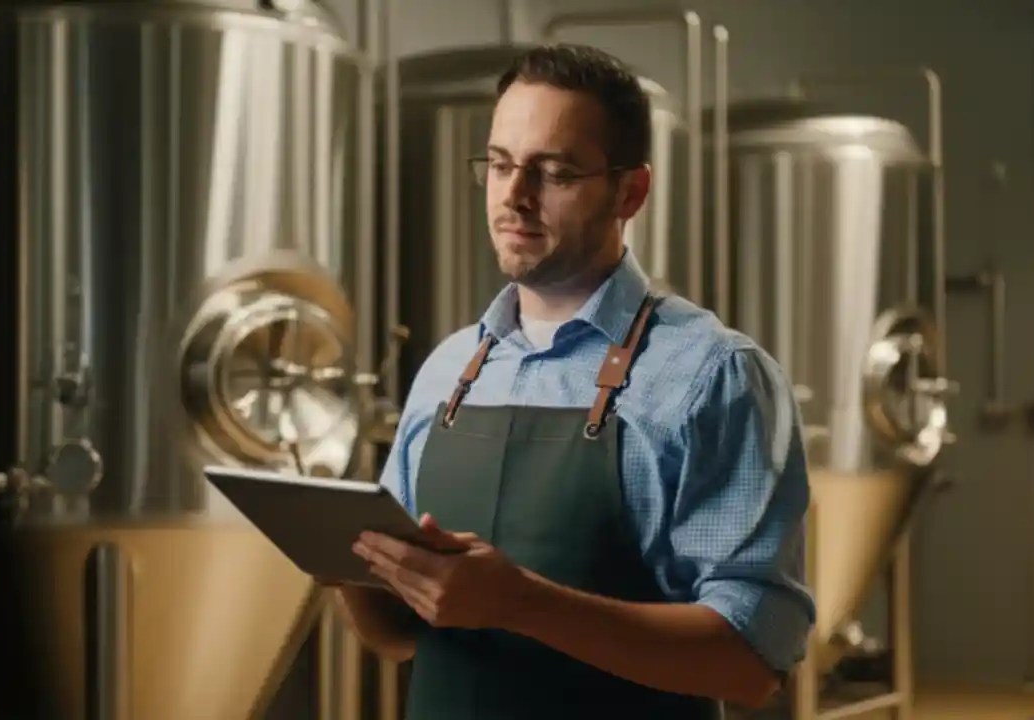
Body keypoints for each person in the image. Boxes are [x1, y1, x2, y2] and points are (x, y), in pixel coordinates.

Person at [335, 43, 815, 718]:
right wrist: (345, 567)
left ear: (632, 192)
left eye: (553, 172)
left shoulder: (713, 376)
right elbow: (403, 635)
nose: (515, 196)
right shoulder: (449, 370)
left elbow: (751, 660)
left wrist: (523, 603)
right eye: (500, 165)